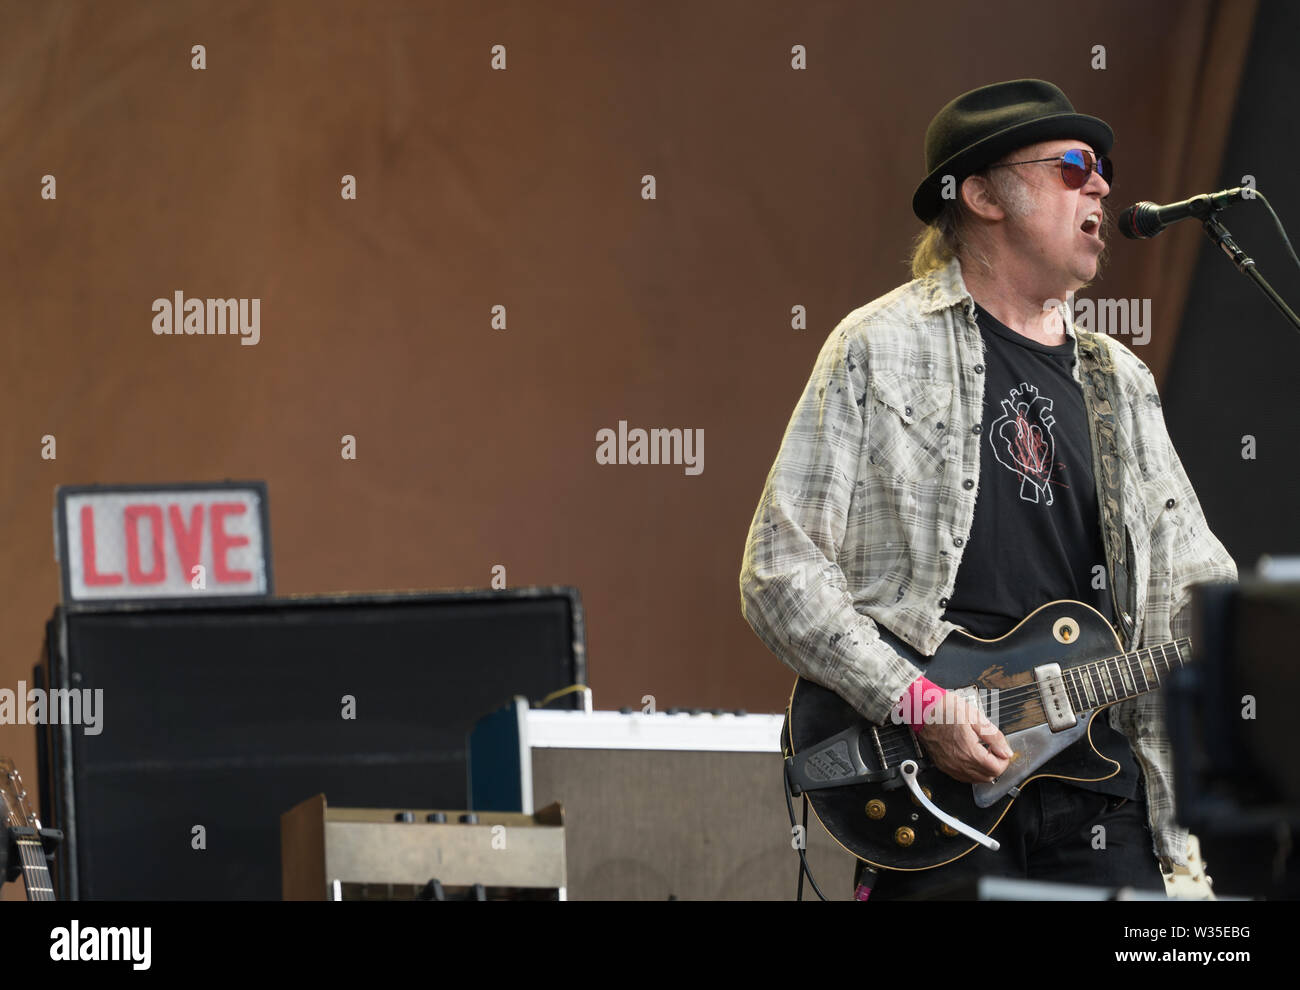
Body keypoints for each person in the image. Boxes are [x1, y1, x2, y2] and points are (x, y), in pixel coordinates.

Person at [738, 79, 1238, 899]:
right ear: (979, 194)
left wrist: (1259, 628)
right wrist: (919, 703)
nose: (1103, 185)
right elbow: (778, 571)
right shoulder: (878, 347)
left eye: (1103, 166)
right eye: (1074, 165)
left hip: (1105, 800)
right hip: (940, 800)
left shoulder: (1121, 381)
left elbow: (1196, 590)